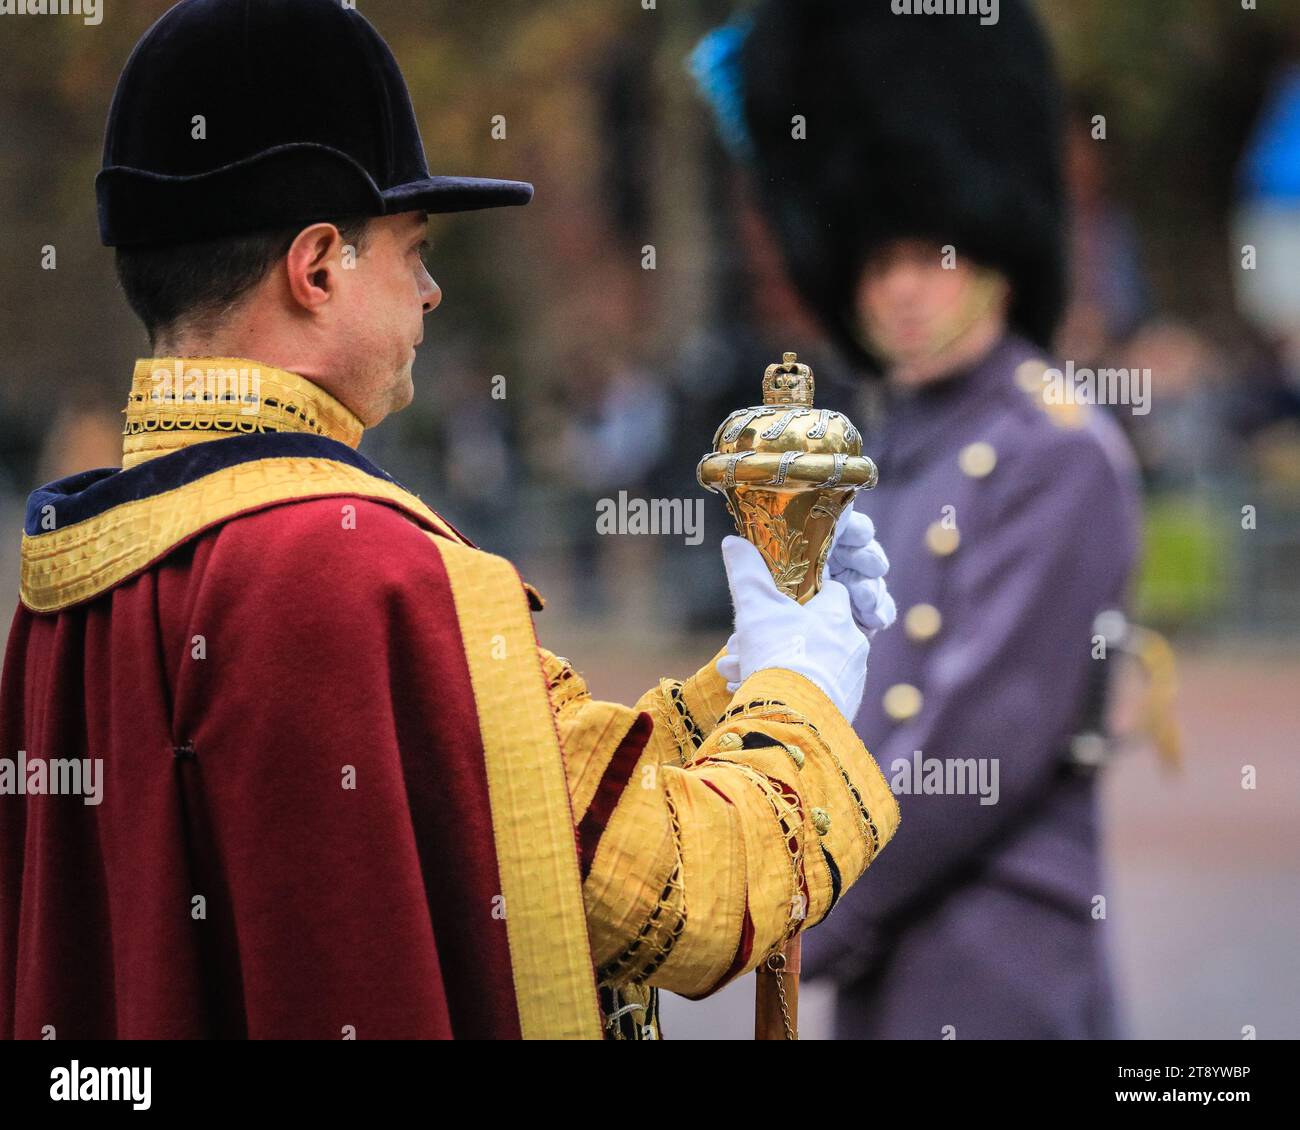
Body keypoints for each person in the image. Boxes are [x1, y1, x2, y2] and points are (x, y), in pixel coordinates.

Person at [0, 0, 901, 1041]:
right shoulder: (364, 566)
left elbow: (513, 805)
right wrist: (801, 692)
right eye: (413, 247)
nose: (429, 292)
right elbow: (675, 898)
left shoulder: (73, 570)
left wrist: (734, 684)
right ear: (320, 265)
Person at [694, 0, 1141, 1038]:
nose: (899, 291)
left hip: (994, 972)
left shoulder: (1056, 452)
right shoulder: (893, 444)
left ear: (996, 249)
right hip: (886, 967)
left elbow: (970, 753)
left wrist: (790, 913)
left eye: (932, 256)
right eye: (877, 262)